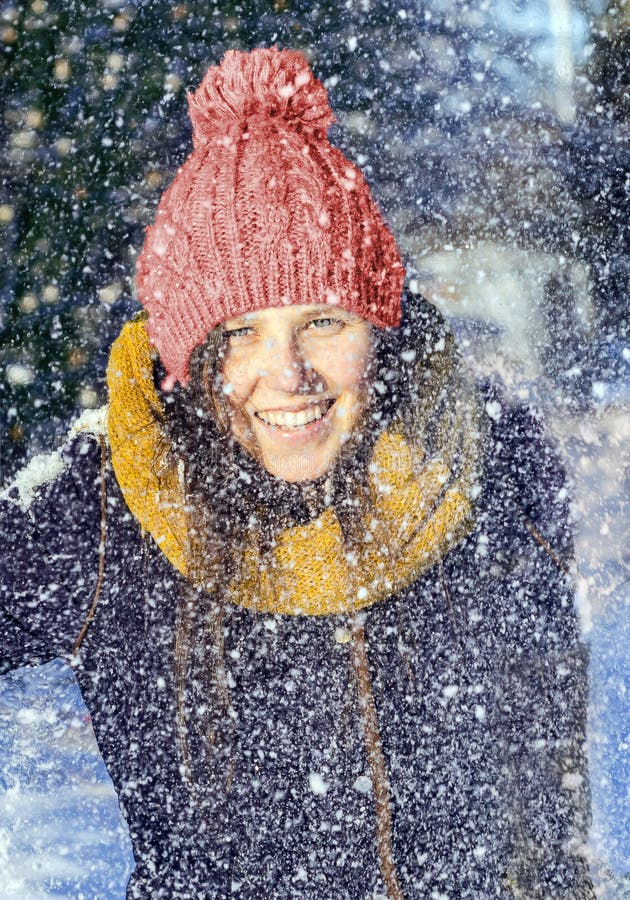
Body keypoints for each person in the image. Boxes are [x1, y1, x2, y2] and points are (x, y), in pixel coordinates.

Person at [1, 47, 594, 899]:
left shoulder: (489, 463)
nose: (288, 375)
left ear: (380, 329)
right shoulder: (103, 506)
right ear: (185, 356)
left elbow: (550, 790)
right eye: (239, 332)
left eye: (323, 321)